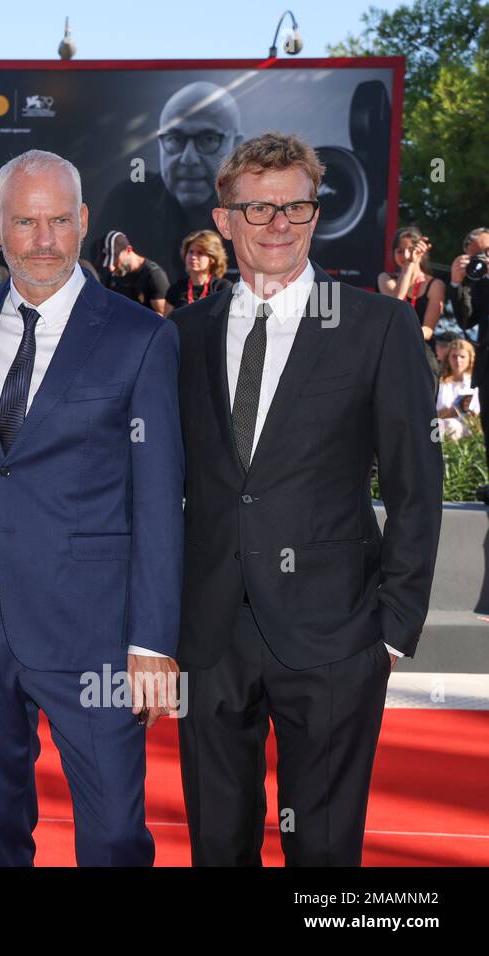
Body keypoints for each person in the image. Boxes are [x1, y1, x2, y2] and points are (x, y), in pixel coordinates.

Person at [170, 132, 441, 866]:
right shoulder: (180, 335)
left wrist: (392, 628)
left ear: (317, 214)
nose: (279, 224)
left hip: (336, 633)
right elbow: (160, 484)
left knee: (322, 851)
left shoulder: (376, 327)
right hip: (210, 633)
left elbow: (417, 485)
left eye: (295, 205)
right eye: (257, 209)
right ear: (224, 220)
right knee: (216, 846)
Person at [0, 149, 184, 866]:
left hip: (92, 631)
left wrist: (153, 642)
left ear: (84, 223)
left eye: (59, 221)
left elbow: (160, 497)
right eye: (26, 221)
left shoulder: (142, 336)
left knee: (111, 836)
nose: (43, 240)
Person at [93, 82, 242, 278]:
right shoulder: (126, 205)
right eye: (174, 139)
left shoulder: (258, 215)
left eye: (208, 139)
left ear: (236, 148)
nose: (188, 160)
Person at [164, 229, 232, 315]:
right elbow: (167, 323)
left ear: (212, 259)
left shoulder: (222, 288)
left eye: (200, 253)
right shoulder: (175, 290)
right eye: (191, 252)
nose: (193, 257)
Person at [103, 230, 169, 315]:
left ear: (128, 250)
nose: (111, 268)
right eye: (109, 262)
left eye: (115, 261)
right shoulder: (113, 275)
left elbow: (164, 317)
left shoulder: (154, 276)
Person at [435, 337, 478, 441]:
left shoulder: (475, 383)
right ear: (448, 358)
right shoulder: (440, 383)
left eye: (462, 356)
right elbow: (433, 414)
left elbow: (477, 415)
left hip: (469, 432)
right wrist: (452, 411)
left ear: (470, 358)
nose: (458, 360)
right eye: (454, 356)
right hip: (442, 431)